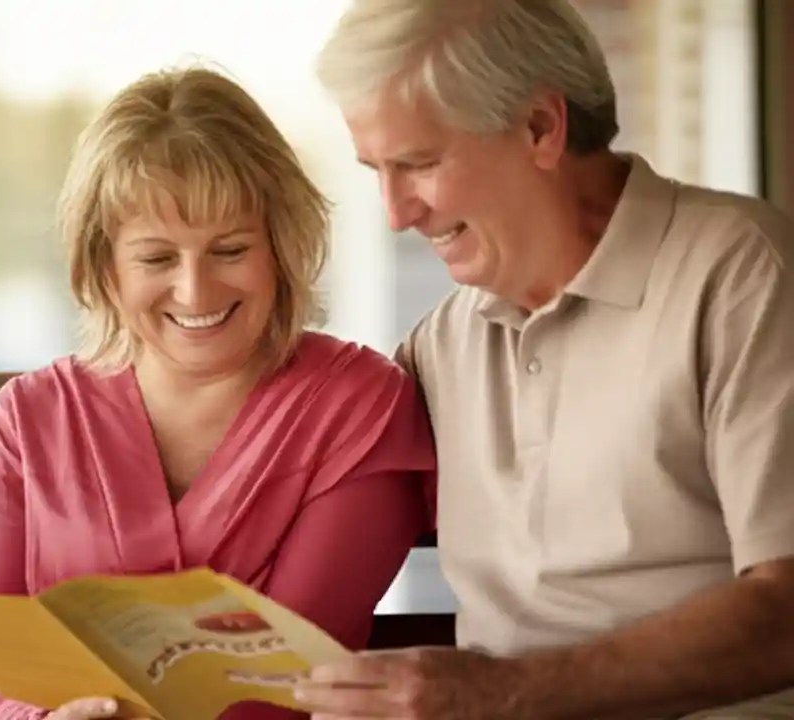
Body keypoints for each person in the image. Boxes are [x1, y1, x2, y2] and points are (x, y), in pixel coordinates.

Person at [294, 1, 794, 718]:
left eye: (419, 164)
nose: (397, 214)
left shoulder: (745, 274)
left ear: (541, 127)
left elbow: (786, 611)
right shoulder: (441, 344)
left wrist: (505, 694)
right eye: (377, 170)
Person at [0, 66, 437, 720]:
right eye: (157, 259)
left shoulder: (357, 406)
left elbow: (287, 685)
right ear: (105, 267)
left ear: (280, 246)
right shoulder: (25, 419)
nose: (195, 291)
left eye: (230, 250)